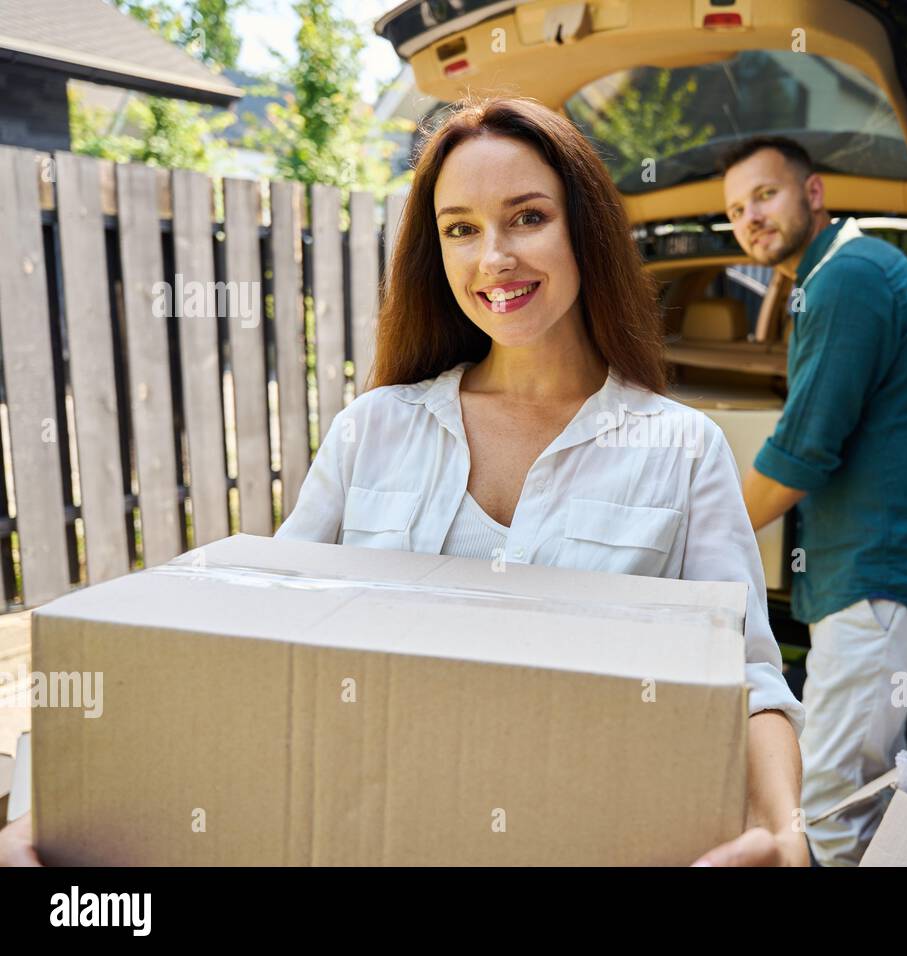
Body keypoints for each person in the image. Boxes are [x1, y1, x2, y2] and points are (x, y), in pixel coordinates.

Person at [0, 97, 807, 867]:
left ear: (583, 231)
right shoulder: (375, 429)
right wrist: (63, 806)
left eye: (528, 216)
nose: (495, 257)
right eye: (462, 229)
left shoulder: (681, 447)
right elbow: (249, 641)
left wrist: (786, 831)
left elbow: (749, 678)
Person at [721, 136, 907, 866]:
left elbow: (802, 451)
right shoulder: (847, 272)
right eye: (737, 210)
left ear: (814, 193)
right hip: (877, 579)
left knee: (825, 800)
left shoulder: (847, 279)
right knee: (866, 786)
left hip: (880, 579)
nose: (750, 218)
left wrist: (698, 542)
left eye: (764, 196)